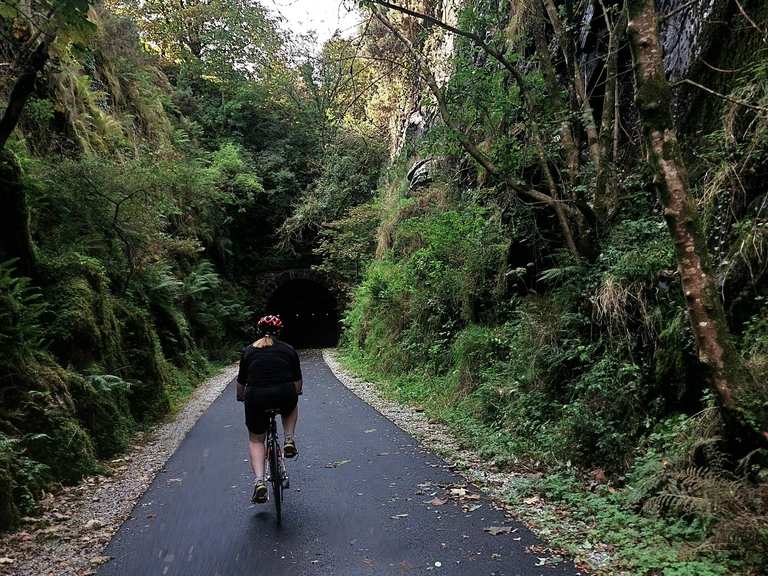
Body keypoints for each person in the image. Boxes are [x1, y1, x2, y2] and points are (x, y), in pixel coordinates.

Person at [236, 314, 302, 504]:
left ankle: (259, 481)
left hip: (256, 397)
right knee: (291, 405)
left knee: (257, 439)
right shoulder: (288, 350)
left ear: (258, 331)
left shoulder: (248, 351)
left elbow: (241, 384)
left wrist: (242, 398)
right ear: (279, 332)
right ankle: (288, 439)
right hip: (284, 393)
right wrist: (293, 394)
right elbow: (297, 384)